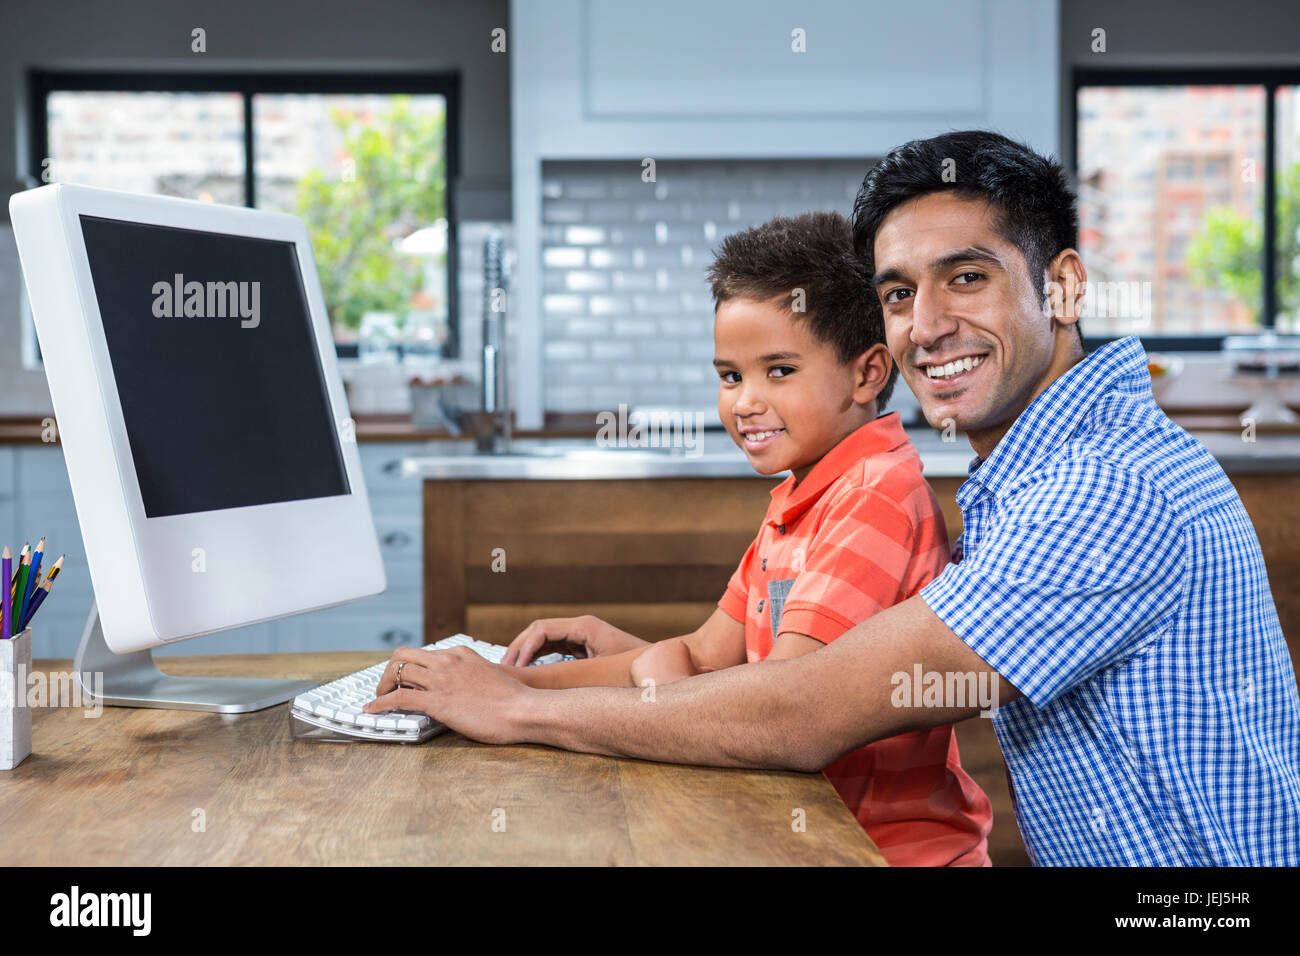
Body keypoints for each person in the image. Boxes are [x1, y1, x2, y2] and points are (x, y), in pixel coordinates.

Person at [367, 131, 1300, 866]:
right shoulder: (1057, 466)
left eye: (966, 276)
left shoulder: (1102, 491)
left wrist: (515, 705)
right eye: (899, 293)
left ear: (1060, 286)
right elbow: (751, 672)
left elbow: (800, 711)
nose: (926, 327)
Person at [447, 211, 992, 866]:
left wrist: (518, 706)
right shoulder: (803, 492)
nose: (745, 402)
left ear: (868, 373)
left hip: (881, 852)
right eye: (730, 376)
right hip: (809, 832)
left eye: (778, 371)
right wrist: (505, 685)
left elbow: (781, 707)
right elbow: (705, 658)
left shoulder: (874, 496)